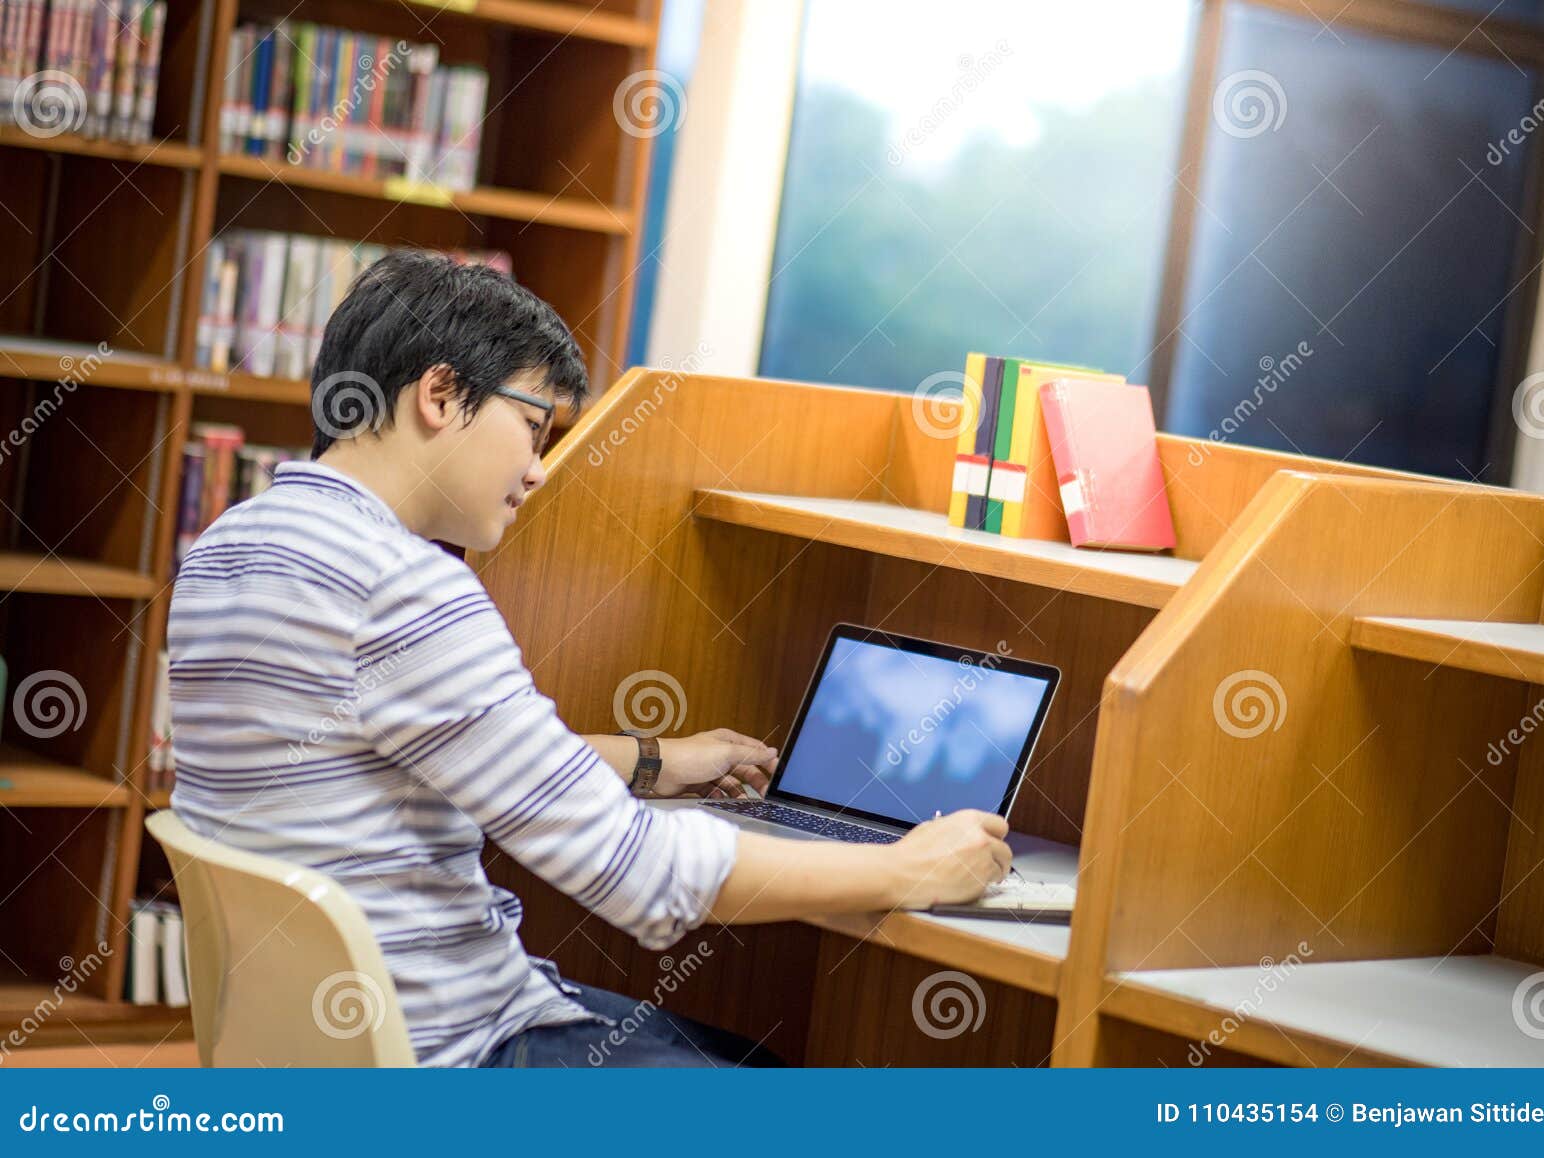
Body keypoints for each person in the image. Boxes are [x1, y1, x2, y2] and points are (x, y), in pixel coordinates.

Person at [168, 251, 1011, 1068]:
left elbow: (409, 752)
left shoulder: (233, 544)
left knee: (740, 1057)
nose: (537, 471)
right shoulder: (408, 587)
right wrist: (906, 867)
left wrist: (655, 760)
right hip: (457, 1044)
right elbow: (643, 877)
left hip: (317, 1045)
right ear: (439, 392)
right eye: (532, 428)